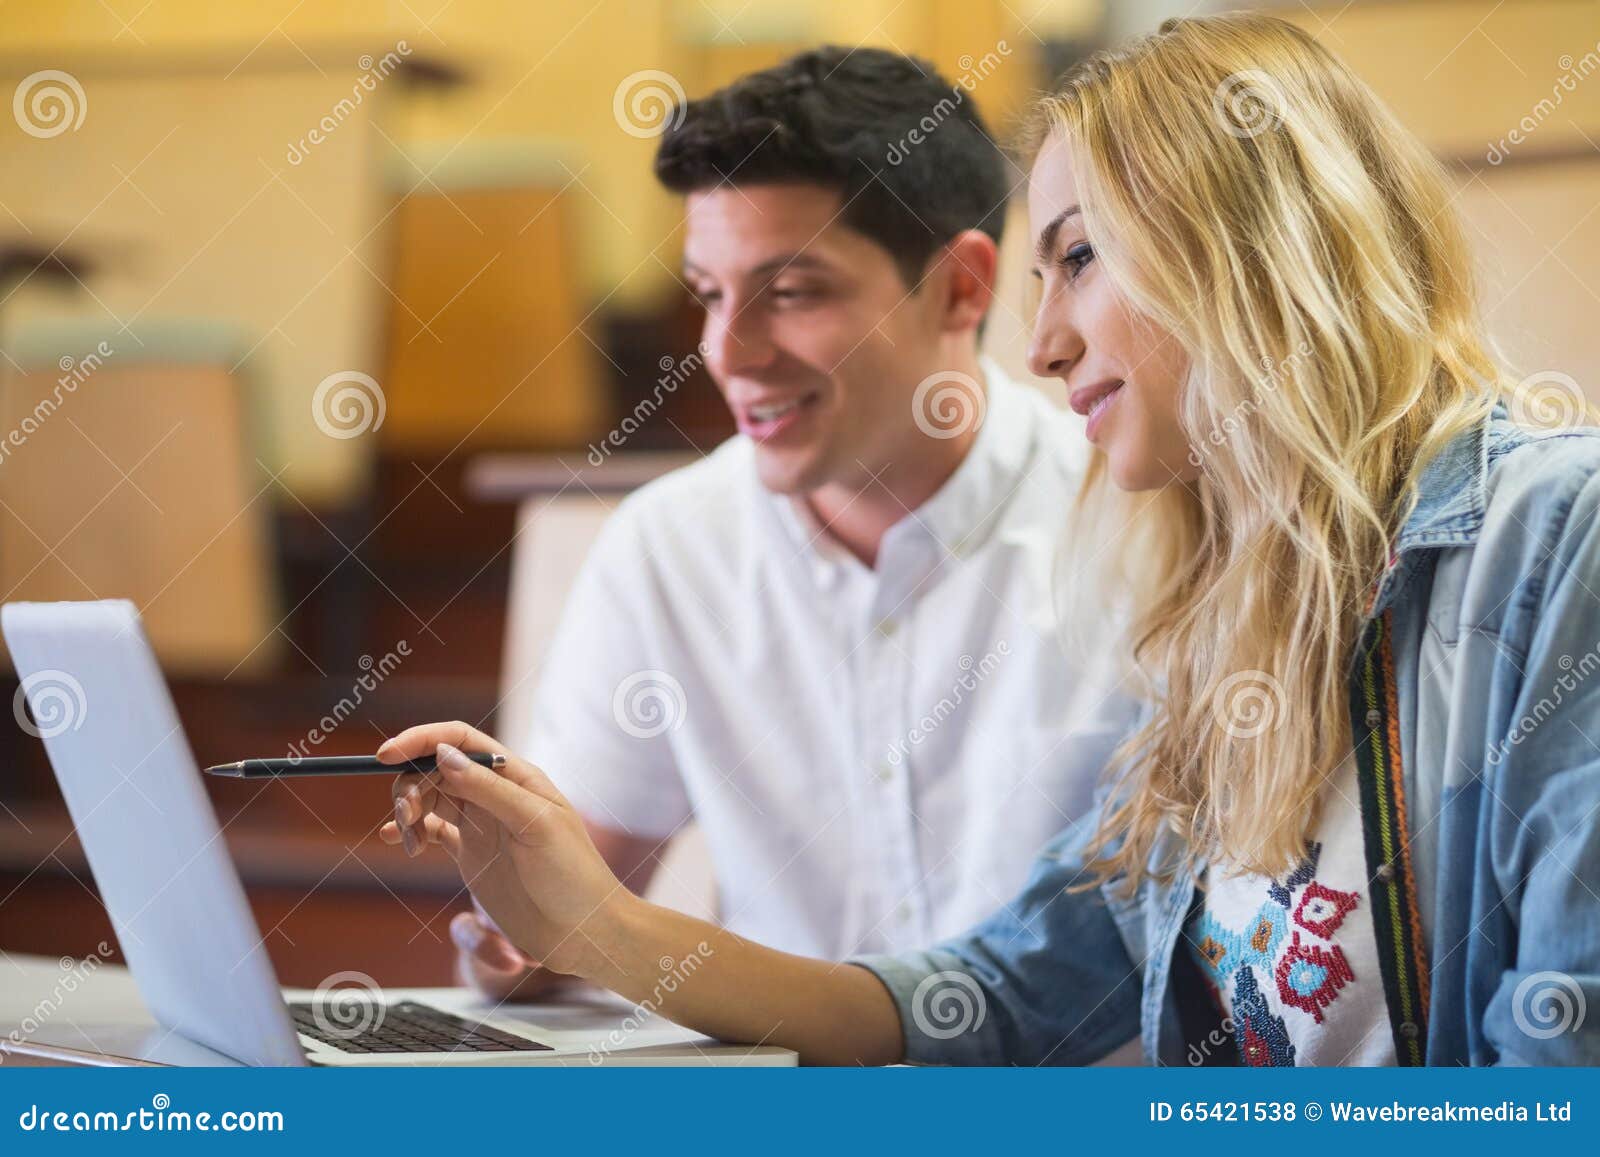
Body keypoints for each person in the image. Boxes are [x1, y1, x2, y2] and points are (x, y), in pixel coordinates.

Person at [382, 12, 1600, 1065]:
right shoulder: (1229, 603)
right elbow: (991, 1002)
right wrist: (586, 919)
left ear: (1248, 247)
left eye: (1078, 256)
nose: (1044, 342)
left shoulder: (1555, 534)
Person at [432, 45, 1140, 1000]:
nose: (728, 354)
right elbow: (561, 929)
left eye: (794, 292)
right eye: (711, 295)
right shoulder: (668, 549)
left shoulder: (1141, 527)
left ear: (962, 287)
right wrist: (519, 937)